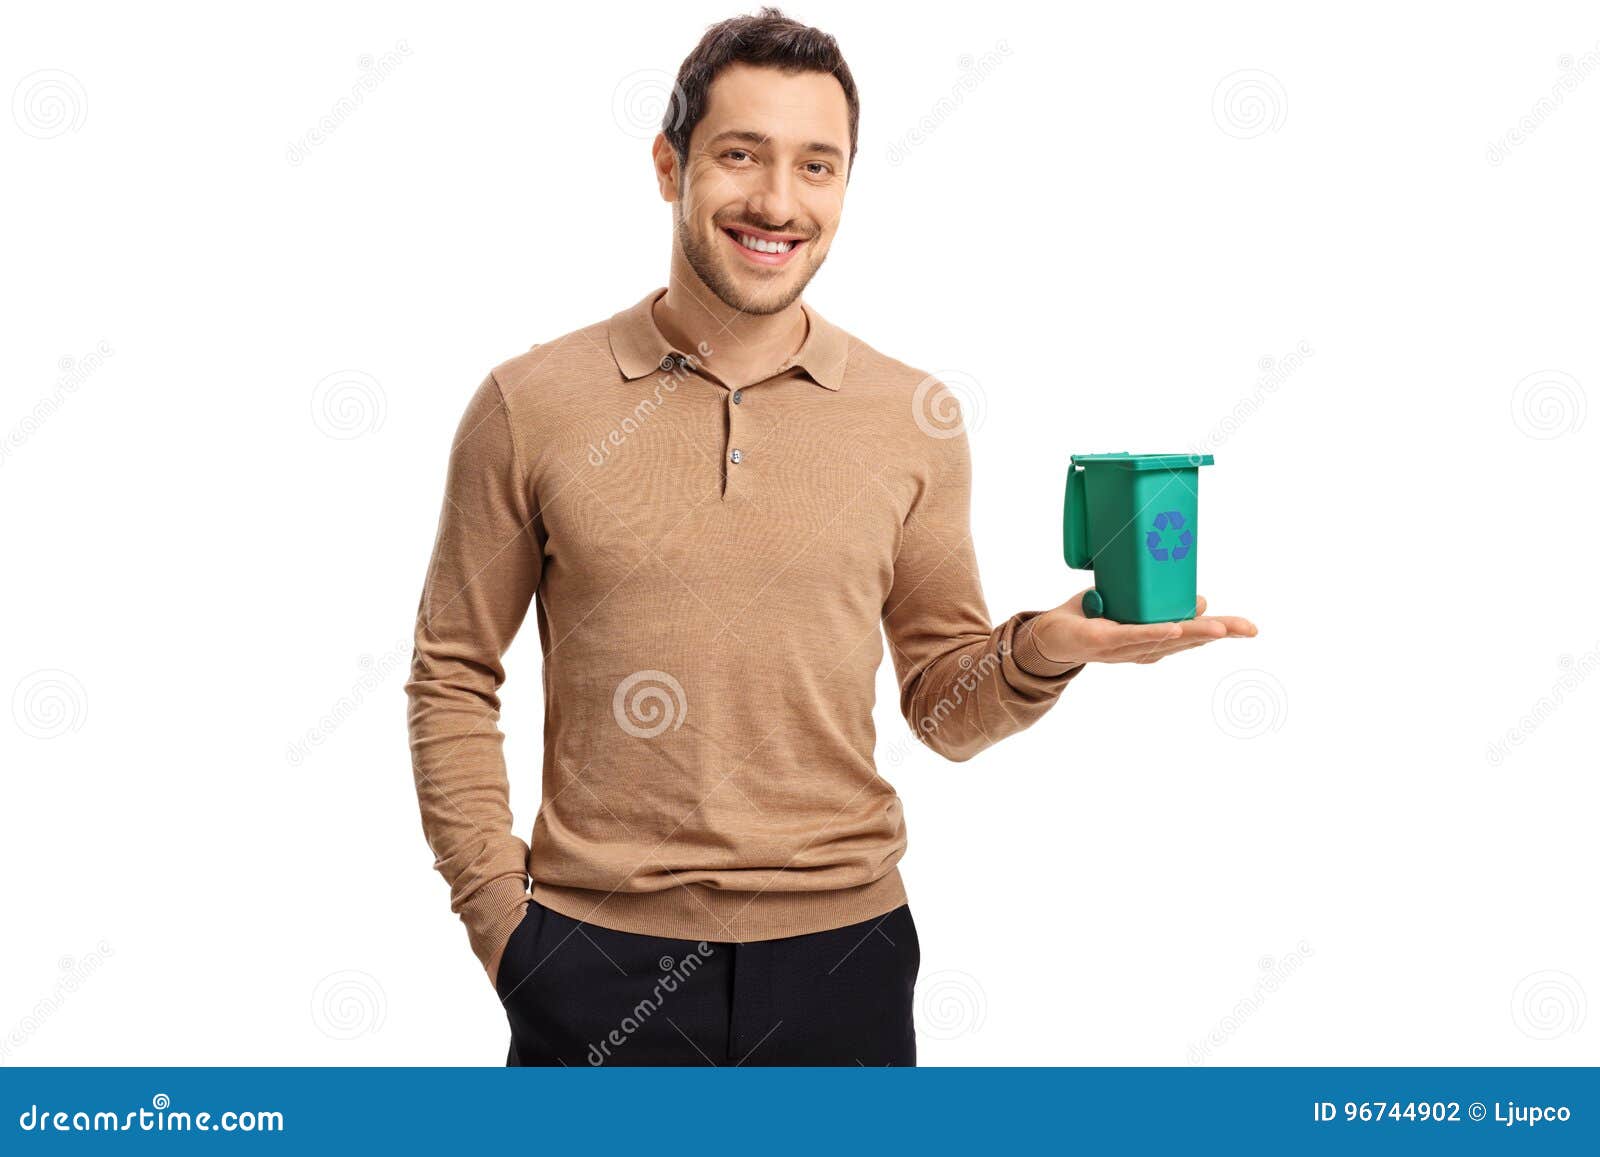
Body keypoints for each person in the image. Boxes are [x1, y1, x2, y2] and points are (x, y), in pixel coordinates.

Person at [404, 7, 1257, 1067]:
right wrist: (502, 924)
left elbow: (942, 709)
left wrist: (1042, 649)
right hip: (591, 960)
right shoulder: (530, 403)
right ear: (668, 166)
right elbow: (451, 671)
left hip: (843, 959)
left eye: (818, 166)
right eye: (740, 156)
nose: (776, 200)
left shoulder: (912, 416)